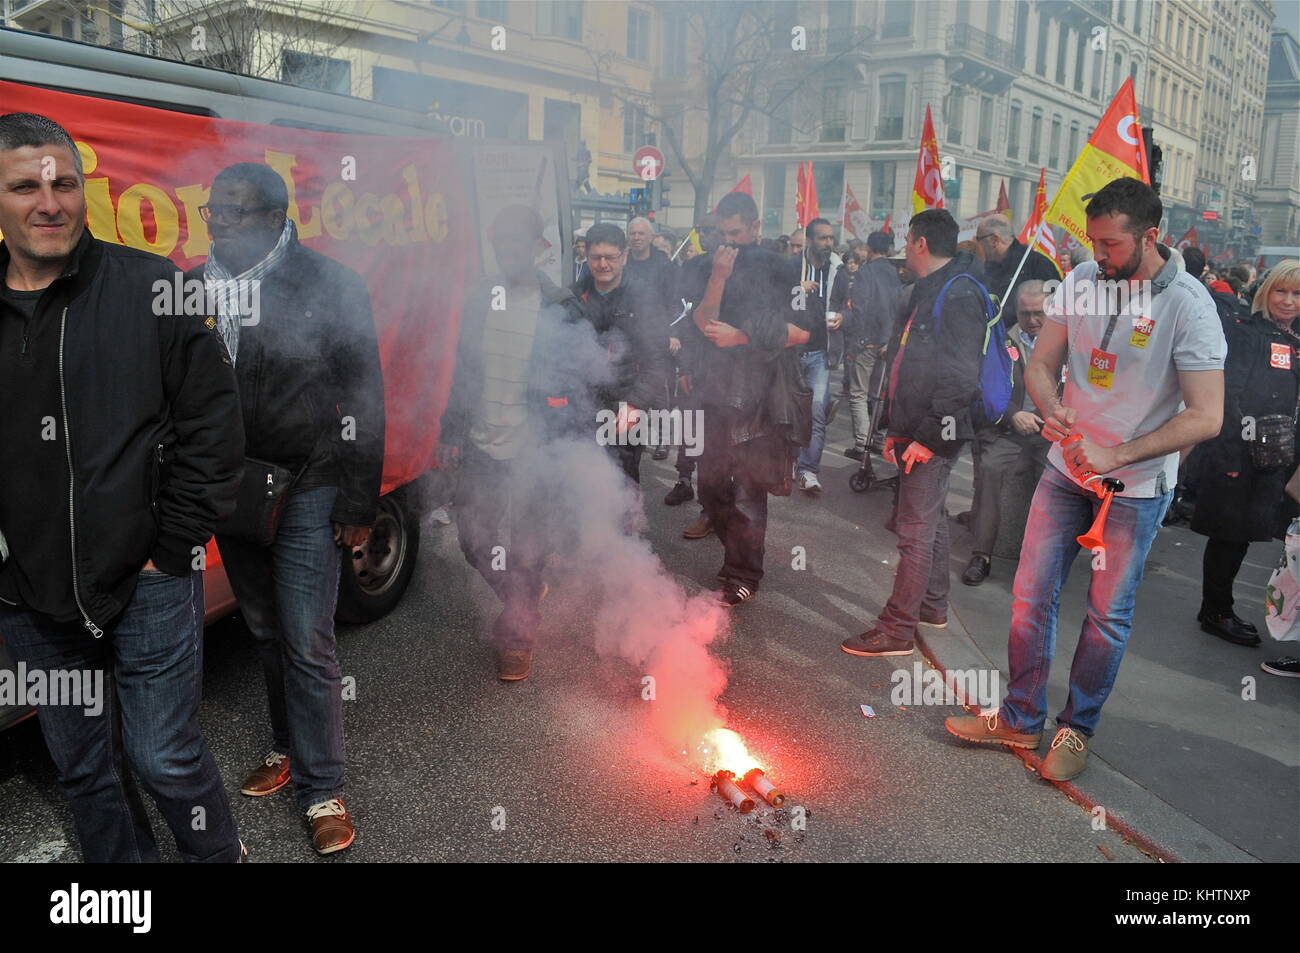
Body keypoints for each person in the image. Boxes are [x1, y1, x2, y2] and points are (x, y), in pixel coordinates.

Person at [0, 113, 245, 862]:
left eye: (65, 183)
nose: (50, 202)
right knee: (83, 766)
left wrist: (170, 548)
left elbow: (214, 421)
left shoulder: (153, 284)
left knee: (163, 755)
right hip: (28, 598)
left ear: (83, 191)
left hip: (150, 581)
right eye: (23, 186)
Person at [946, 178, 1226, 781]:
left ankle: (1077, 730)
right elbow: (1042, 365)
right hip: (1064, 472)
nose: (1097, 255)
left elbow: (1208, 416)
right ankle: (1021, 717)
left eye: (1110, 244)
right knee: (1029, 594)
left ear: (1151, 237)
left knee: (1105, 614)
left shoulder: (1191, 305)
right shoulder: (1079, 281)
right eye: (1093, 243)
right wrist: (1053, 408)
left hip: (1135, 489)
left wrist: (1117, 453)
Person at [194, 162, 384, 855]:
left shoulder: (329, 284)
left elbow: (364, 393)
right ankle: (285, 744)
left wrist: (360, 495)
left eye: (232, 212)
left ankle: (322, 786)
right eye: (212, 208)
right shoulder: (192, 287)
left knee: (308, 638)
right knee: (266, 628)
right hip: (230, 487)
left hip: (309, 481)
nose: (214, 221)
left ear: (276, 218)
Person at [440, 207, 665, 681]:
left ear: (537, 248)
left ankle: (518, 635)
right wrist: (450, 432)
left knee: (526, 547)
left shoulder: (561, 305)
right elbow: (462, 370)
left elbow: (580, 383)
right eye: (502, 245)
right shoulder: (482, 297)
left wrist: (575, 440)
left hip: (534, 449)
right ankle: (522, 594)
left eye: (519, 245)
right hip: (482, 443)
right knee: (474, 540)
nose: (510, 254)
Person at [840, 209, 988, 657]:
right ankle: (931, 606)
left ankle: (898, 629)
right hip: (920, 427)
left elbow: (961, 378)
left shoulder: (958, 294)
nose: (904, 247)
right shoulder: (934, 289)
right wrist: (896, 429)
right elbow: (909, 367)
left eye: (908, 239)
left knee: (915, 531)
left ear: (921, 243)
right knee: (931, 521)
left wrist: (926, 436)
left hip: (935, 431)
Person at [684, 191, 810, 606]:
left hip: (761, 394)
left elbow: (808, 331)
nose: (728, 242)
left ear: (755, 227)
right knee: (712, 487)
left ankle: (744, 573)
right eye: (720, 234)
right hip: (714, 392)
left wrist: (743, 335)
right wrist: (718, 276)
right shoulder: (708, 263)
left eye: (735, 233)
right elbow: (701, 321)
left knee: (749, 493)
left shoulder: (782, 267)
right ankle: (734, 553)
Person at [1188, 260, 1300, 649]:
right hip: (1241, 456)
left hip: (1273, 460)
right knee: (1228, 537)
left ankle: (1220, 608)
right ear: (1265, 292)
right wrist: (1230, 459)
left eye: (1296, 293)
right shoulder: (1249, 334)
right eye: (1280, 291)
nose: (1287, 300)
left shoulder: (1292, 338)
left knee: (1243, 538)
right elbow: (1228, 397)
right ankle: (1216, 611)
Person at [961, 281, 1053, 586]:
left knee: (1057, 482)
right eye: (1025, 313)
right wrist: (1015, 414)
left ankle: (1042, 562)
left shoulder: (1065, 342)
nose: (1032, 320)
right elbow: (987, 385)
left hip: (1051, 431)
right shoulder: (1003, 340)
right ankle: (981, 554)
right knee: (990, 469)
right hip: (1009, 429)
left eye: (1038, 312)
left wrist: (1045, 417)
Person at [569, 222, 669, 483]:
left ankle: (627, 523)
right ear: (586, 256)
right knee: (581, 478)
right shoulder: (574, 296)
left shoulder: (643, 296)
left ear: (624, 256)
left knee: (622, 478)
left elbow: (658, 360)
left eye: (610, 257)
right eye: (596, 257)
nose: (602, 265)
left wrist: (636, 403)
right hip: (582, 403)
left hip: (626, 401)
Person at [665, 213, 722, 514]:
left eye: (712, 229)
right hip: (697, 359)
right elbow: (682, 316)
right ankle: (684, 480)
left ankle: (712, 502)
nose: (707, 235)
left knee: (717, 434)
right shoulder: (692, 267)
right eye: (702, 230)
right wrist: (685, 366)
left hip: (728, 361)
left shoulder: (739, 268)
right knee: (690, 424)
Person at [789, 218, 845, 494]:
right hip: (790, 352)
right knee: (787, 411)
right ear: (810, 240)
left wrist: (843, 317)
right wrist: (797, 286)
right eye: (823, 238)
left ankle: (808, 470)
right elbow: (773, 304)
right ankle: (788, 460)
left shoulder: (839, 270)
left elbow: (852, 307)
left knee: (816, 413)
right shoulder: (791, 267)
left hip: (820, 354)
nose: (828, 244)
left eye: (831, 238)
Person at [843, 231, 902, 463]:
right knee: (878, 395)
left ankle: (862, 443)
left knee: (858, 393)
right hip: (888, 342)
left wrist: (856, 342)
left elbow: (860, 309)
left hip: (868, 340)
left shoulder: (865, 273)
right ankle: (875, 438)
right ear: (888, 249)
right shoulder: (897, 273)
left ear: (869, 248)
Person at [976, 213, 1060, 327]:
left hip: (1029, 339)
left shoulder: (1037, 264)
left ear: (994, 240)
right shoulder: (984, 268)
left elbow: (1059, 307)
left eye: (979, 239)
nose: (977, 244)